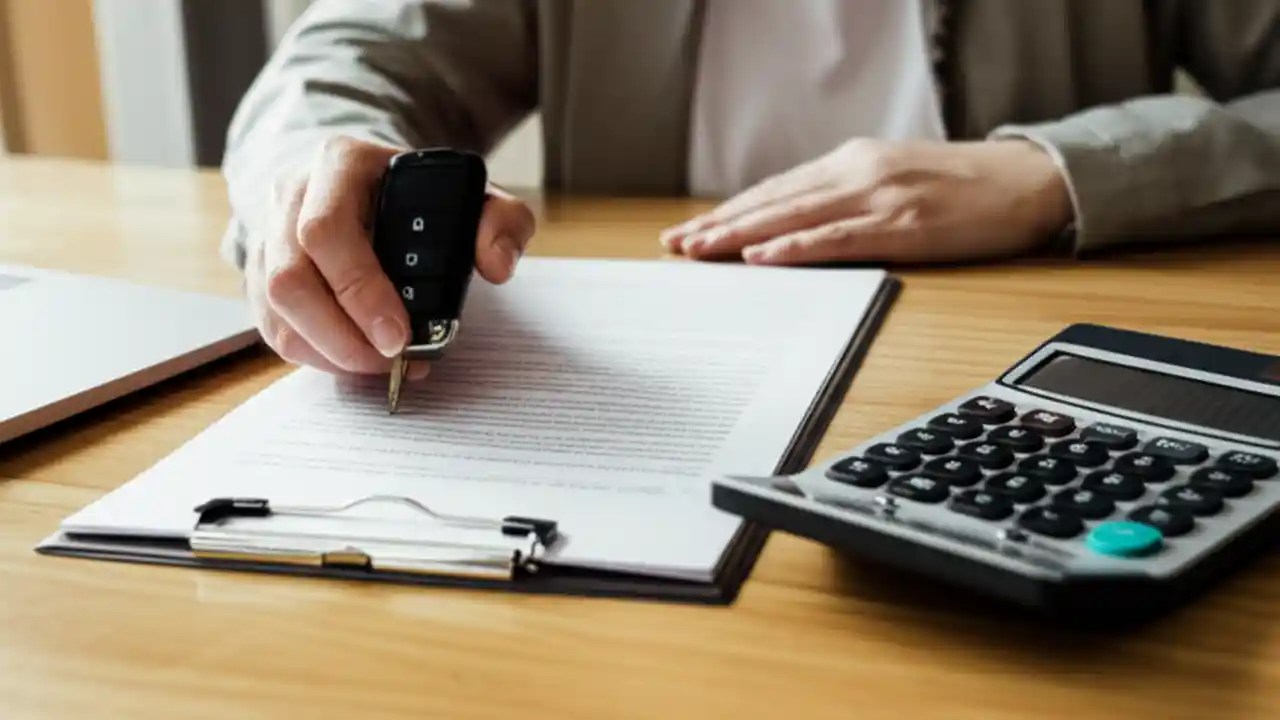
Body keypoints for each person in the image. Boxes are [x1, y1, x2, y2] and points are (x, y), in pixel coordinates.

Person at [221, 0, 1280, 378]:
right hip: (658, 386)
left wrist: (1057, 172)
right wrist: (309, 172)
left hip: (1011, 370)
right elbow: (344, 60)